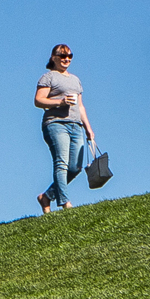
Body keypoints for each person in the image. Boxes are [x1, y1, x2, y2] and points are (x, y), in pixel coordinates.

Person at [33, 43, 93, 214]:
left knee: (75, 167)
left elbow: (80, 106)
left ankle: (47, 197)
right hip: (55, 123)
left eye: (69, 56)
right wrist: (60, 102)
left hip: (76, 125)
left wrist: (88, 128)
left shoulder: (75, 80)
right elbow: (38, 100)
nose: (66, 59)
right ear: (54, 58)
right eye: (62, 56)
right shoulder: (48, 77)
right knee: (61, 163)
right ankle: (64, 202)